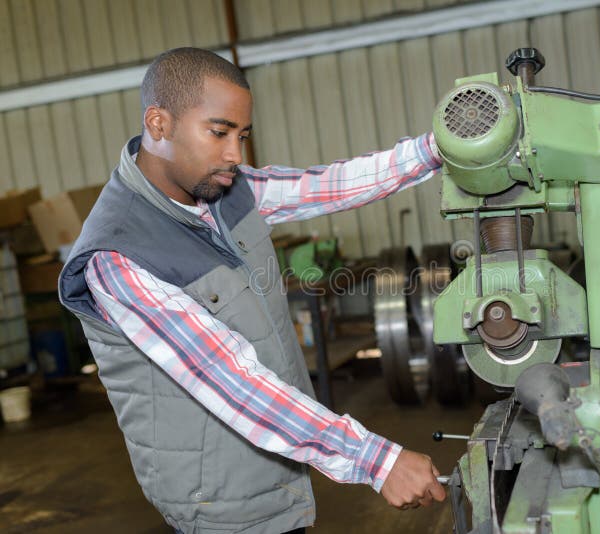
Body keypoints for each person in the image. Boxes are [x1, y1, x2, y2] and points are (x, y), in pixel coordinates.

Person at [59, 47, 445, 534]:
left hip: (276, 470)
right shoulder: (119, 257)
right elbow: (234, 382)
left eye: (242, 135)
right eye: (218, 132)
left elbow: (327, 186)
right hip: (220, 503)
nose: (234, 155)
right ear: (158, 123)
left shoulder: (219, 189)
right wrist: (376, 460)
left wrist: (435, 149)